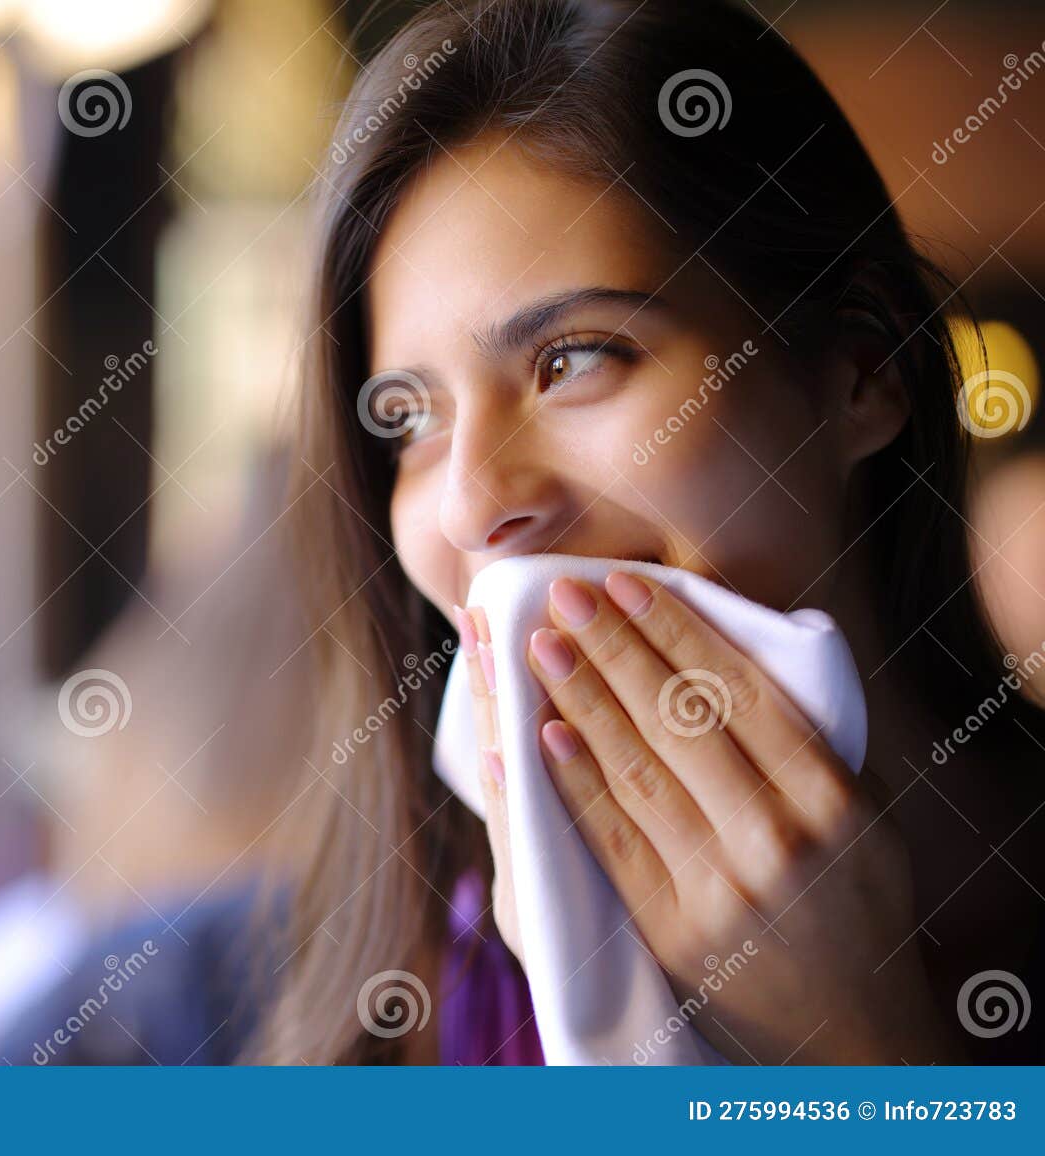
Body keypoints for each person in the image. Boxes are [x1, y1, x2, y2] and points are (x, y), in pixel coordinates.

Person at [250, 0, 1045, 1064]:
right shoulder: (443, 988)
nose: (473, 505)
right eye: (410, 419)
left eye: (574, 358)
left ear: (863, 372)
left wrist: (859, 1058)